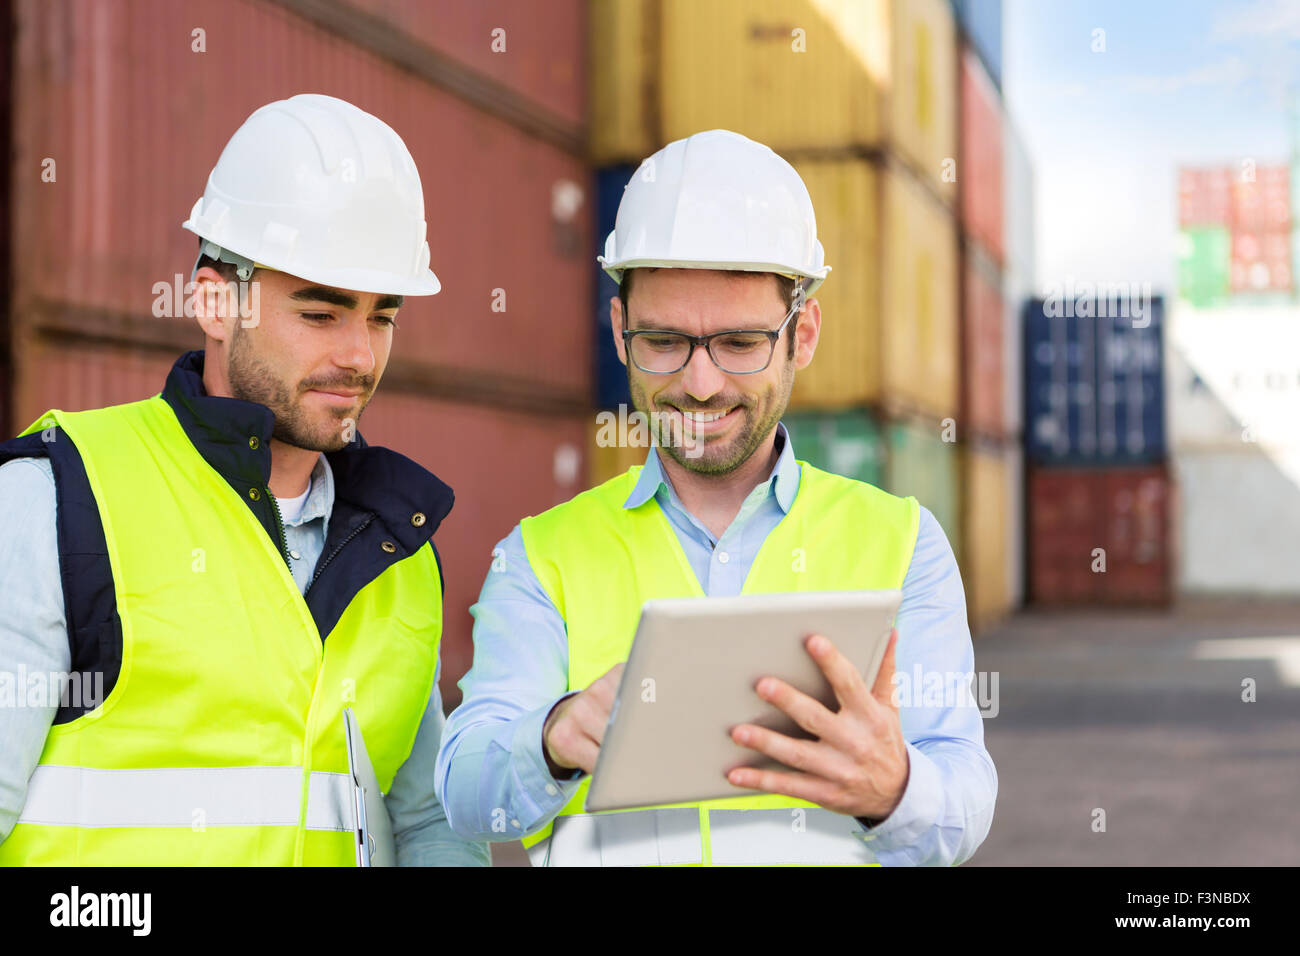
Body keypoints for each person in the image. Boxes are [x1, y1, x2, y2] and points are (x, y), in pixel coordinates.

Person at [435, 129, 996, 866]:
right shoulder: (543, 558)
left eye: (739, 343)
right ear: (619, 332)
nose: (701, 383)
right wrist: (553, 739)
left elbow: (962, 804)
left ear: (803, 336)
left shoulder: (902, 544)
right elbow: (468, 796)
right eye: (665, 341)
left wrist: (895, 789)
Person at [0, 93, 488, 866]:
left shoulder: (401, 551)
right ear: (212, 300)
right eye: (321, 315)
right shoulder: (55, 500)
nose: (360, 356)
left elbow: (428, 824)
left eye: (382, 317)